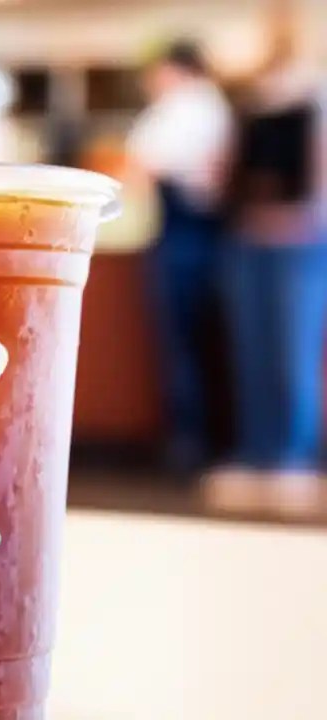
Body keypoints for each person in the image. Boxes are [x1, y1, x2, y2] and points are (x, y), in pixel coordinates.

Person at [209, 27, 327, 516]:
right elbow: (227, 171)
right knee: (251, 353)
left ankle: (291, 459)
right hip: (248, 239)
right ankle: (259, 456)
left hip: (299, 243)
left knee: (290, 356)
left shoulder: (314, 97)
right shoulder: (250, 103)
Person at [127, 41, 232, 474]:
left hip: (185, 236)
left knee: (182, 342)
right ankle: (209, 440)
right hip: (213, 236)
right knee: (207, 342)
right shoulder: (217, 108)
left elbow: (141, 166)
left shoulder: (184, 108)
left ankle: (188, 443)